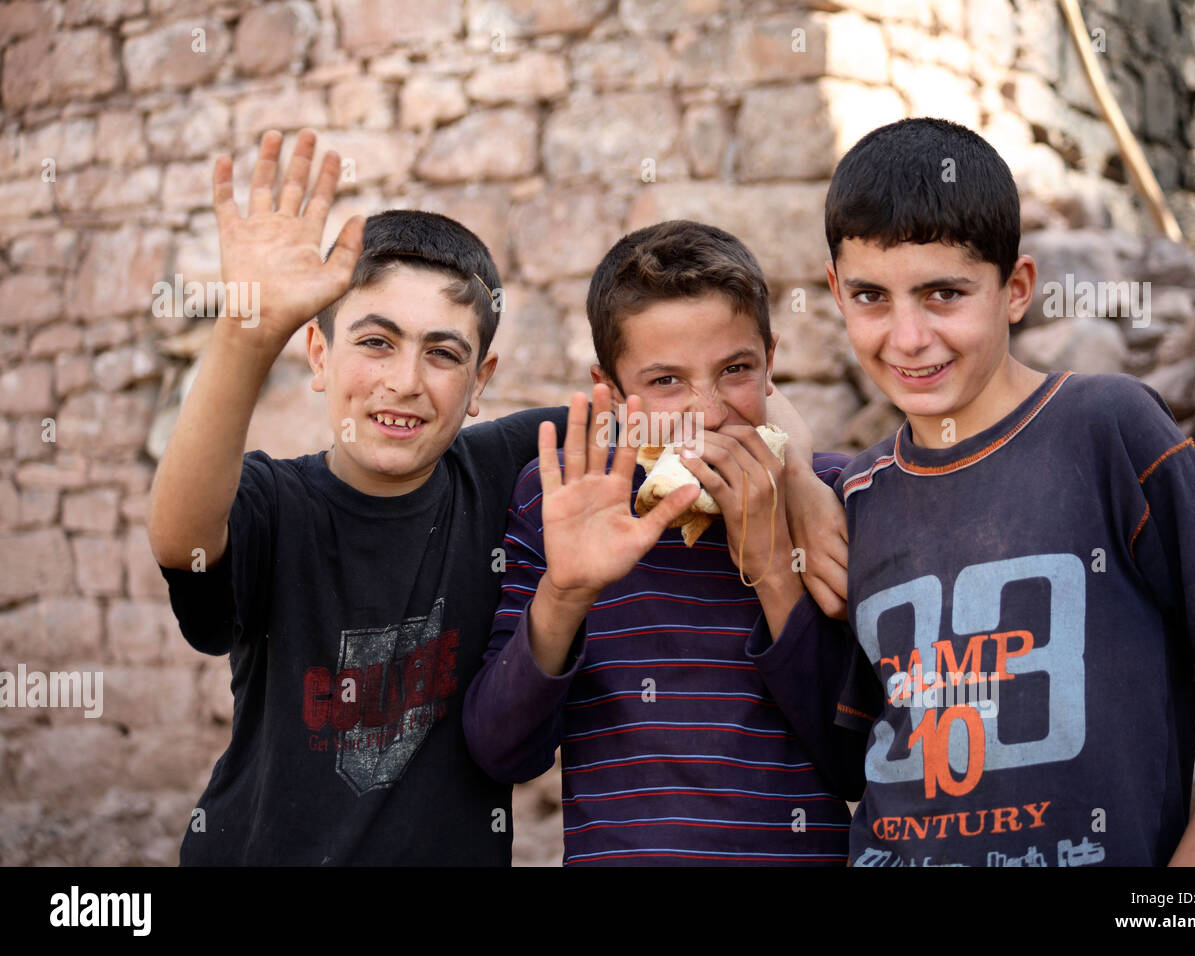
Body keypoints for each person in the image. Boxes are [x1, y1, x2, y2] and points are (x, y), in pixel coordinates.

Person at [765, 116, 1195, 867]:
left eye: (944, 294)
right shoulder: (859, 495)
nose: (908, 336)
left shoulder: (1107, 430)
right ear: (835, 293)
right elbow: (850, 758)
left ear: (1016, 289)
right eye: (871, 297)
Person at [147, 129, 570, 865]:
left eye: (443, 354)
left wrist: (802, 482)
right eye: (376, 342)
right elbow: (179, 535)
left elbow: (702, 398)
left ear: (482, 383)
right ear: (319, 354)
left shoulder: (511, 466)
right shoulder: (275, 504)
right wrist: (247, 333)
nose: (405, 380)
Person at [463, 221, 863, 865]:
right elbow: (502, 751)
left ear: (771, 363)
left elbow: (857, 765)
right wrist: (564, 594)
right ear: (613, 391)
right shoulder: (566, 497)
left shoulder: (833, 499)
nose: (706, 412)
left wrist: (772, 568)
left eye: (735, 369)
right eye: (665, 381)